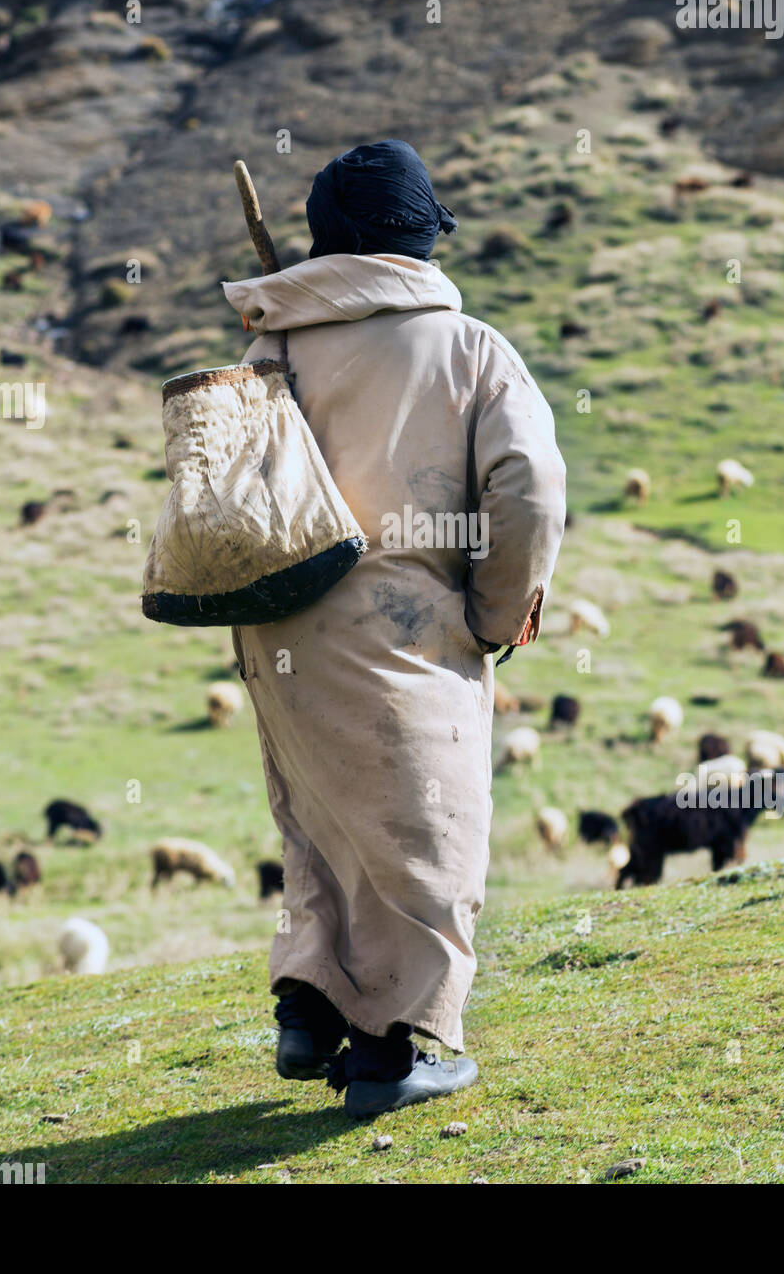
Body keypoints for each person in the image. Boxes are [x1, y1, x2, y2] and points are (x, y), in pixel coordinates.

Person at [223, 139, 566, 1119]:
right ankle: (393, 1055)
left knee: (322, 813)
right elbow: (528, 488)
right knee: (426, 832)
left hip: (279, 619)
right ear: (420, 238)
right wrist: (498, 613)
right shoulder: (467, 348)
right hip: (410, 621)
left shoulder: (274, 345)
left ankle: (309, 1000)